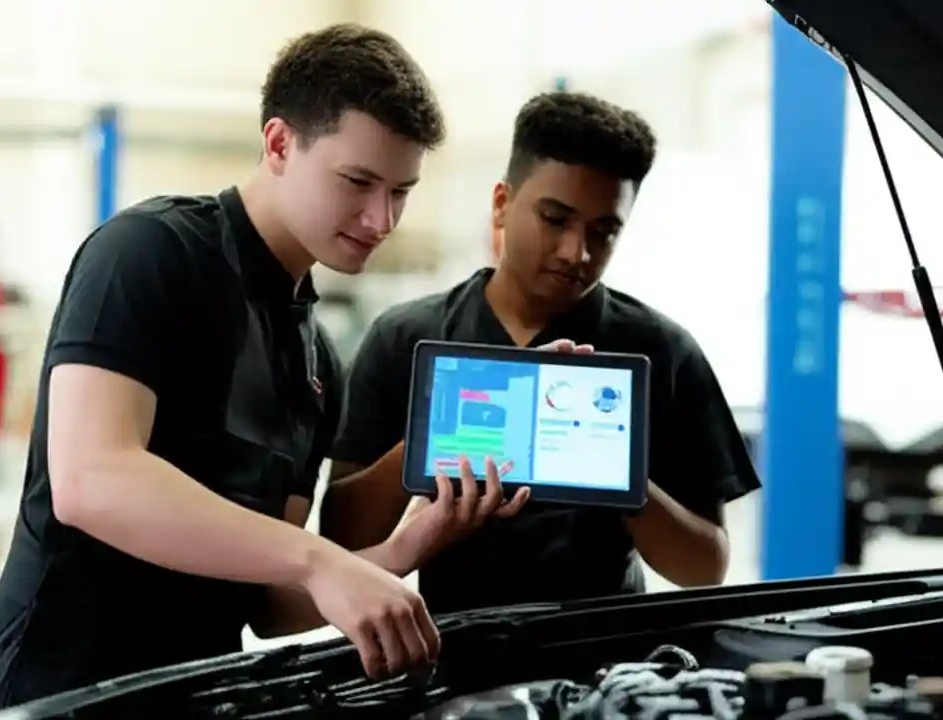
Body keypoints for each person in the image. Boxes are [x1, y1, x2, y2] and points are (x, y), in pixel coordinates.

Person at [0, 23, 521, 716]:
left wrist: (406, 546)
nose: (381, 219)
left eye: (401, 191)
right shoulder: (148, 254)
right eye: (358, 182)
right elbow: (92, 479)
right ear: (280, 144)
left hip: (201, 691)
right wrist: (320, 560)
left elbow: (267, 605)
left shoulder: (317, 362)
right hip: (65, 684)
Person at [320, 90, 762, 616]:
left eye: (604, 232)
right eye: (555, 219)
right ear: (501, 203)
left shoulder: (663, 352)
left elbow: (705, 567)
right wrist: (437, 438)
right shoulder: (406, 338)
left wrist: (617, 471)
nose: (577, 252)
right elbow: (341, 541)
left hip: (609, 651)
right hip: (452, 645)